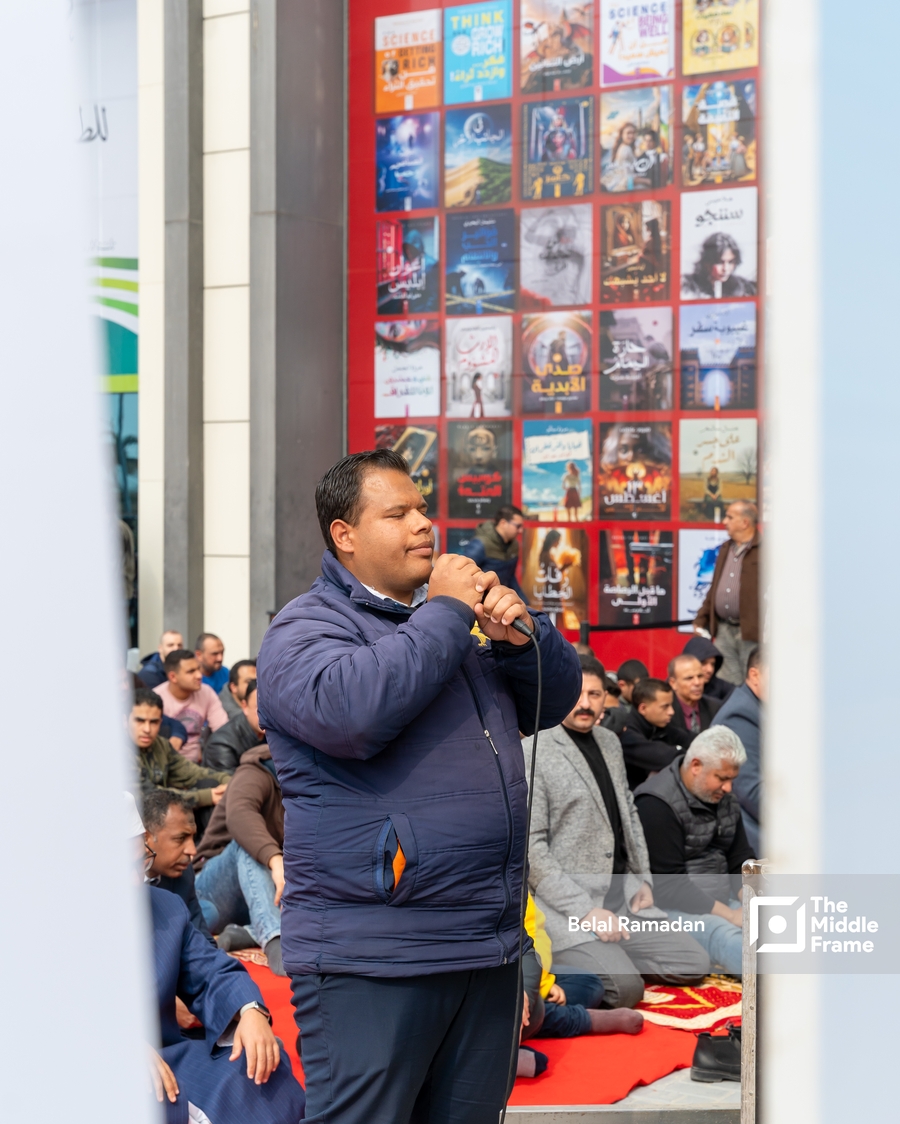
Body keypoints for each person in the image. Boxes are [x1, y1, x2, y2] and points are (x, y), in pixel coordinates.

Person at [256, 448, 581, 1124]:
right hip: (373, 957)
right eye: (397, 513)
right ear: (344, 534)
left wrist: (522, 641)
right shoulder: (306, 628)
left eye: (423, 509)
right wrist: (446, 614)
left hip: (482, 944)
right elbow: (351, 716)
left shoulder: (450, 625)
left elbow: (550, 702)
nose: (423, 526)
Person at [526, 653, 709, 1010]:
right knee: (627, 990)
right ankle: (564, 968)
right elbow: (533, 853)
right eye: (577, 693)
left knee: (694, 963)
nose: (585, 703)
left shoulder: (610, 742)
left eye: (595, 695)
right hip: (570, 911)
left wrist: (643, 879)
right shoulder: (534, 747)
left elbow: (628, 812)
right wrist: (585, 911)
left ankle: (610, 952)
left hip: (622, 904)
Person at [124, 793, 305, 1124]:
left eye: (142, 862)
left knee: (261, 1061)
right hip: (92, 1066)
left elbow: (209, 971)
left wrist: (248, 1011)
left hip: (170, 1054)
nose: (138, 878)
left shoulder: (163, 905)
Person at [635, 728, 755, 976]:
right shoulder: (656, 803)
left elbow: (740, 859)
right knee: (732, 939)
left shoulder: (723, 798)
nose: (729, 787)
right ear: (696, 766)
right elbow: (669, 886)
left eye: (732, 778)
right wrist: (732, 915)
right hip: (672, 909)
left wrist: (752, 903)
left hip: (722, 899)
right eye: (722, 778)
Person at [195, 736, 287, 975]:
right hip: (213, 886)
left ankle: (247, 932)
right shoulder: (255, 771)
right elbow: (240, 816)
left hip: (262, 895)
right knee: (246, 846)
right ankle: (275, 938)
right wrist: (275, 860)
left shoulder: (309, 783)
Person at [521, 894, 642, 1039]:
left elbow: (534, 935)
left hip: (523, 972)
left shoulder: (512, 882)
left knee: (589, 984)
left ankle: (533, 1013)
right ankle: (580, 1020)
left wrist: (539, 981)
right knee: (507, 1011)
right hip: (497, 983)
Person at [693, 501, 761, 685]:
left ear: (745, 522)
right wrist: (701, 619)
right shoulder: (725, 548)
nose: (724, 521)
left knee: (754, 684)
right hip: (723, 630)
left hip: (752, 632)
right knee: (724, 685)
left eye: (730, 517)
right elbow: (714, 589)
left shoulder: (766, 551)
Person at [132, 688, 231, 812]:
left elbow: (192, 772)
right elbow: (148, 795)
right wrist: (206, 796)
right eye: (139, 721)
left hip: (157, 817)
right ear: (124, 720)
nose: (147, 729)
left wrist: (228, 782)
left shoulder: (161, 745)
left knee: (210, 783)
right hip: (129, 822)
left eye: (154, 722)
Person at [712, 647, 764, 853]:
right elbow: (752, 792)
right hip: (753, 843)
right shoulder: (740, 715)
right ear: (755, 675)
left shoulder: (760, 707)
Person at [143, 789, 213, 942]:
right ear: (147, 838)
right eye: (180, 838)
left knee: (211, 912)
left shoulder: (184, 873)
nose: (192, 851)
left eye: (192, 838)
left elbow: (203, 941)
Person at [154, 649, 230, 763]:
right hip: (166, 764)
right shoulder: (156, 698)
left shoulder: (206, 692)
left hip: (198, 765)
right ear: (173, 677)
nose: (199, 675)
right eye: (191, 671)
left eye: (198, 669)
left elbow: (223, 730)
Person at [618, 678, 688, 790]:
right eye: (665, 706)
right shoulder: (627, 735)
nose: (671, 712)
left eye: (671, 705)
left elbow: (689, 738)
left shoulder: (660, 727)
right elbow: (663, 756)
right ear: (643, 708)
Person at [460, 503, 526, 597]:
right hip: (480, 602)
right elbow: (463, 575)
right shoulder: (481, 544)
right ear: (503, 523)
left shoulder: (514, 545)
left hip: (500, 600)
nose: (521, 530)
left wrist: (525, 603)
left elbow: (510, 577)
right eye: (518, 526)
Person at [205, 679, 266, 774]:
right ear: (245, 706)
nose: (269, 716)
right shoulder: (221, 744)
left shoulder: (281, 732)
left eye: (274, 709)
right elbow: (231, 785)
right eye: (261, 709)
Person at [681, 231, 757, 299]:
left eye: (730, 262)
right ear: (707, 262)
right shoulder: (687, 286)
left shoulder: (745, 288)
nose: (726, 269)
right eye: (720, 262)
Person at [667, 654, 722, 741]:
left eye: (700, 676)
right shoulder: (664, 711)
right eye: (689, 678)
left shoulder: (715, 708)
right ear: (673, 683)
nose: (697, 683)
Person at [683, 635, 735, 702]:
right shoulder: (671, 690)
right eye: (703, 663)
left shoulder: (719, 685)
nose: (710, 670)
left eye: (713, 664)